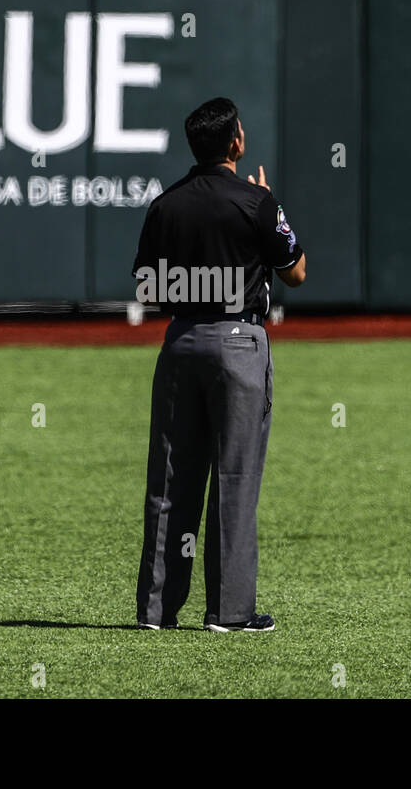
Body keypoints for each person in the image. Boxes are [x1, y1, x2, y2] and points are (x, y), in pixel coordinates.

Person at [131, 97, 306, 632]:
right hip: (238, 346)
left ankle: (156, 611)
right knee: (234, 478)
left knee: (170, 479)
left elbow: (146, 287)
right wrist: (268, 204)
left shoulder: (166, 204)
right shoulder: (256, 202)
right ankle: (229, 613)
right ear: (236, 142)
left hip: (181, 341)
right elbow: (296, 273)